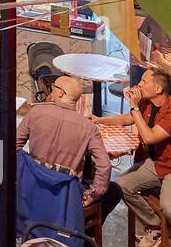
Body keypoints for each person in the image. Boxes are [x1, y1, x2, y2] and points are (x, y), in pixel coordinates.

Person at [94, 68, 171, 247]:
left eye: (144, 82)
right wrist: (98, 120)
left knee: (169, 208)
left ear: (158, 88)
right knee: (120, 186)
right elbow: (126, 119)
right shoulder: (147, 103)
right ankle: (155, 225)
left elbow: (149, 137)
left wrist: (134, 108)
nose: (139, 84)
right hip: (156, 163)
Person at [16, 76, 111, 206]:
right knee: (113, 190)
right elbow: (105, 166)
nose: (51, 90)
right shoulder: (89, 127)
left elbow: (14, 146)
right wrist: (92, 195)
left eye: (53, 87)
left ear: (60, 93)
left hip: (33, 186)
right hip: (66, 196)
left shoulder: (35, 113)